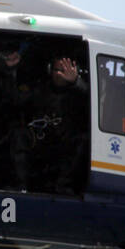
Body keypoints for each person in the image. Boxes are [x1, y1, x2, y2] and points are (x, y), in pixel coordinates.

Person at [15, 54, 89, 195]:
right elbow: (18, 101)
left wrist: (76, 82)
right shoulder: (41, 90)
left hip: (67, 141)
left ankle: (63, 186)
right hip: (41, 139)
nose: (60, 74)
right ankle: (22, 186)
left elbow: (94, 102)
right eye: (56, 70)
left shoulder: (80, 92)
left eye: (64, 70)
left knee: (82, 140)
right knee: (19, 135)